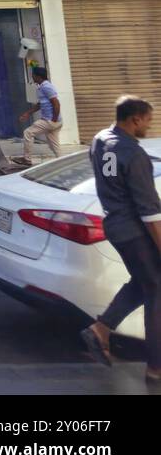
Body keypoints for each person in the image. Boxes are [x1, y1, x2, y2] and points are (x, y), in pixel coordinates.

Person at [80, 96, 161, 383]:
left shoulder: (100, 139)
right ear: (135, 119)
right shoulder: (134, 154)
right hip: (135, 231)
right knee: (156, 290)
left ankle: (100, 330)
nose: (150, 126)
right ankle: (155, 367)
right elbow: (149, 210)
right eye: (149, 120)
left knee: (143, 283)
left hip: (114, 224)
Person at [13, 66, 62, 167]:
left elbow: (56, 103)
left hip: (50, 121)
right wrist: (28, 113)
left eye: (33, 75)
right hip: (53, 121)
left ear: (38, 76)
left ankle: (27, 159)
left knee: (28, 132)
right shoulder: (42, 87)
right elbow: (40, 104)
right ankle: (63, 162)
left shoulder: (46, 87)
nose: (32, 77)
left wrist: (54, 119)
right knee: (54, 145)